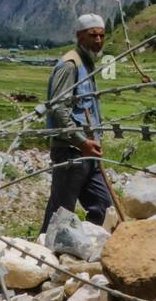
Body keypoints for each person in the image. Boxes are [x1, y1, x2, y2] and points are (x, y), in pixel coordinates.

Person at [38, 13, 114, 234]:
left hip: (89, 151)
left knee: (103, 206)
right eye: (93, 36)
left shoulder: (88, 63)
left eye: (101, 36)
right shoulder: (70, 65)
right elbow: (59, 108)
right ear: (79, 36)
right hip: (71, 151)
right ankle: (43, 255)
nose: (98, 40)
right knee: (60, 211)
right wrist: (82, 142)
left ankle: (82, 245)